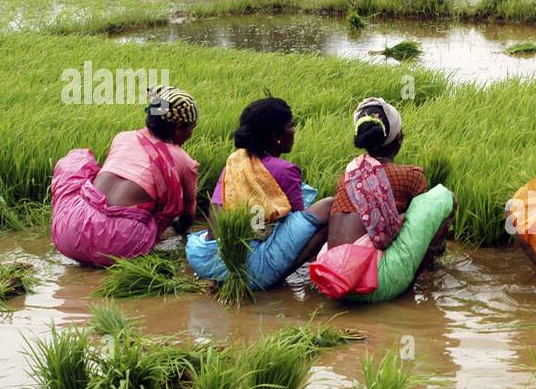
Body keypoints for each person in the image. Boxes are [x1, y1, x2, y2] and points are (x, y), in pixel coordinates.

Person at [186, 97, 334, 289]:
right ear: (276, 136)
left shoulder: (235, 161)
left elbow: (217, 211)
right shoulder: (285, 170)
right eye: (291, 125)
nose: (294, 130)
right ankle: (278, 278)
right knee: (329, 206)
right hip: (251, 271)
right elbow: (298, 222)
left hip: (205, 258)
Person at [50, 86, 199, 267]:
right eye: (191, 128)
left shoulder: (123, 137)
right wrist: (179, 234)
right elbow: (187, 214)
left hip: (70, 230)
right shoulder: (184, 161)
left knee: (77, 160)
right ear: (179, 128)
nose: (191, 133)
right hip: (120, 245)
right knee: (151, 210)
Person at [326, 97, 447, 263]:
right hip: (370, 269)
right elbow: (424, 226)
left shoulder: (348, 174)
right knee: (443, 200)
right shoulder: (411, 176)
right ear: (398, 140)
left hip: (333, 265)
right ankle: (428, 272)